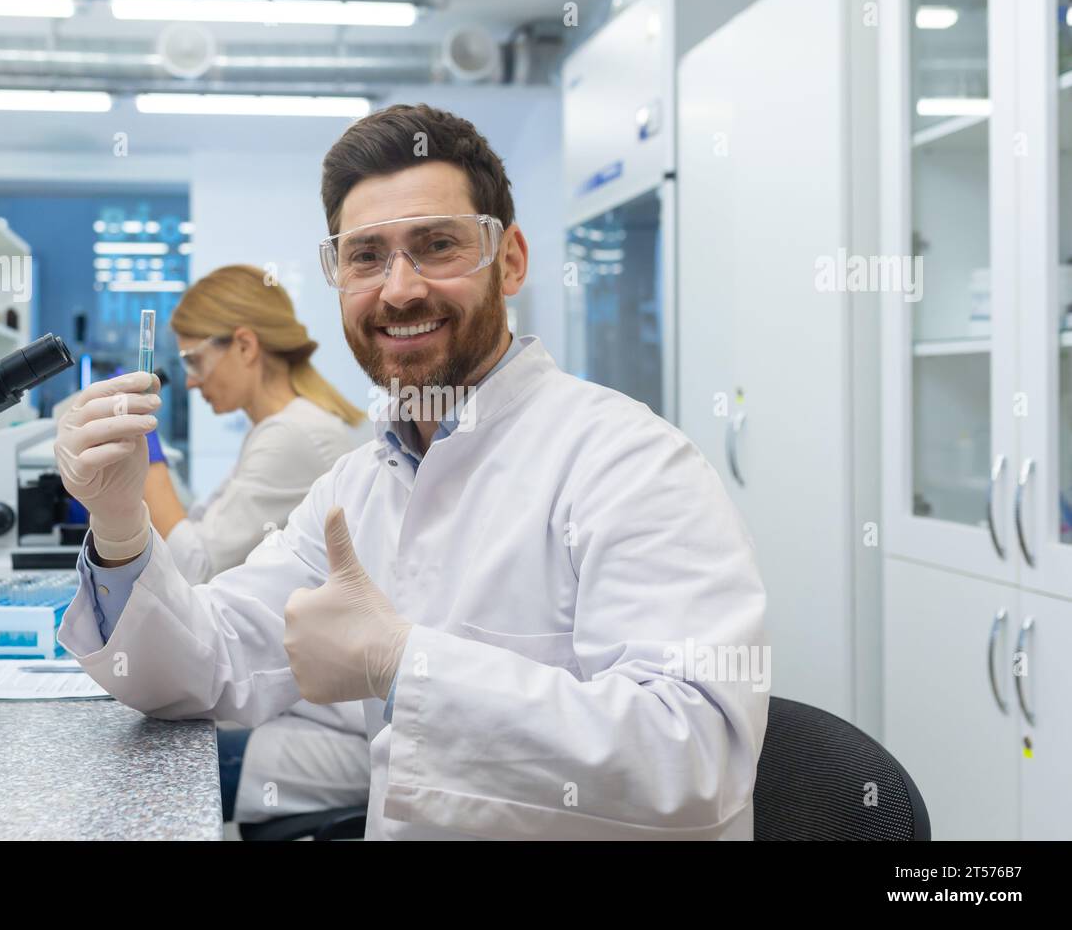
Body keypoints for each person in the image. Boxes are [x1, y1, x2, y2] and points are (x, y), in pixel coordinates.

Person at [54, 103, 769, 840]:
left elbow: (696, 758)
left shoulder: (633, 463)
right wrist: (118, 526)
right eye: (366, 256)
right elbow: (208, 665)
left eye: (436, 245)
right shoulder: (358, 486)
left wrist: (405, 665)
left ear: (511, 260)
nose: (399, 289)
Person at [141, 265, 372, 825]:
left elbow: (194, 563)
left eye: (194, 360)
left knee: (156, 774)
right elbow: (200, 526)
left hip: (334, 731)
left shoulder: (294, 434)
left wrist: (142, 450)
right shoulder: (275, 427)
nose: (190, 381)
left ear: (244, 345)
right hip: (302, 704)